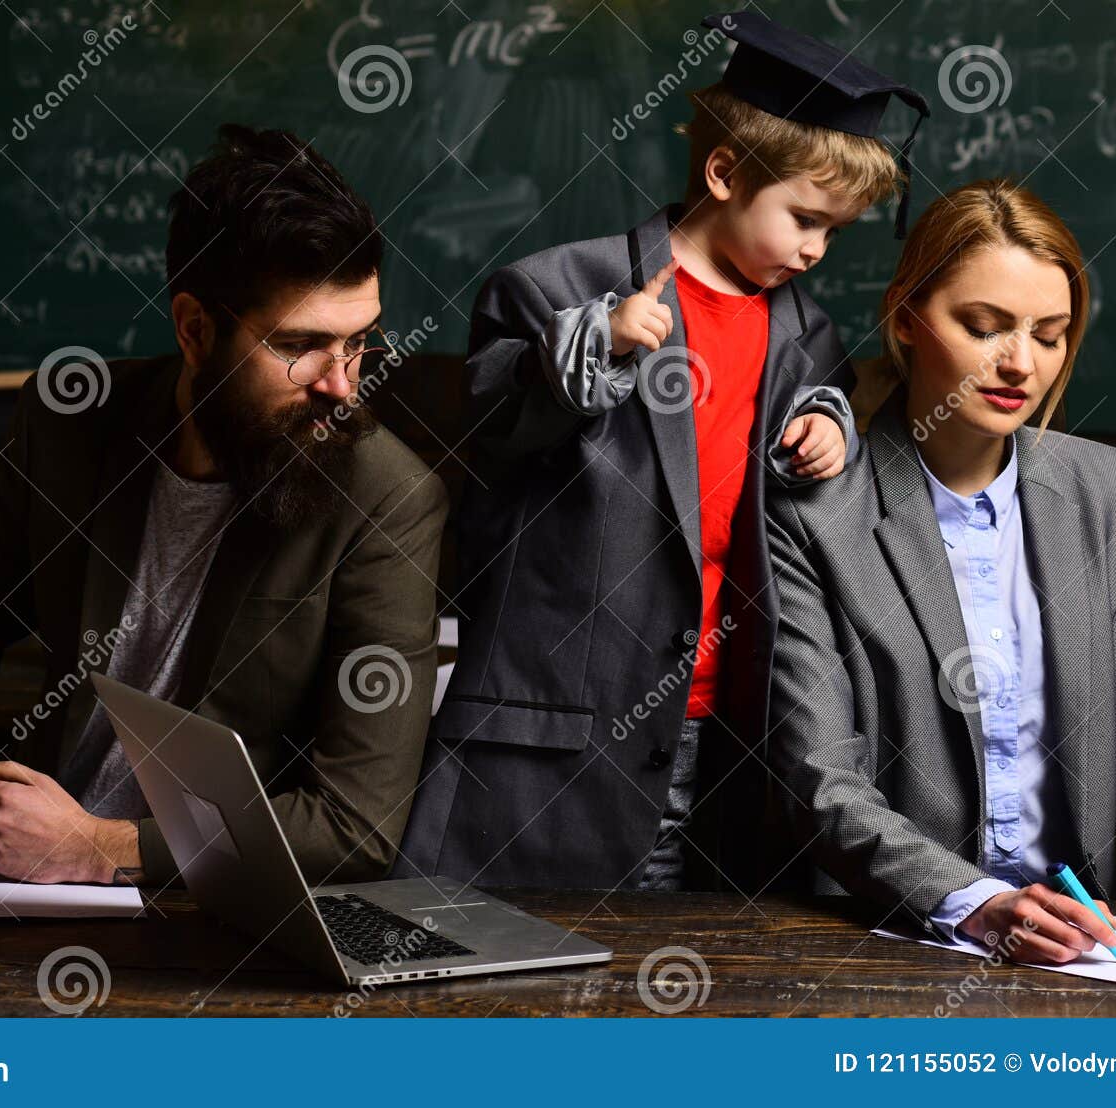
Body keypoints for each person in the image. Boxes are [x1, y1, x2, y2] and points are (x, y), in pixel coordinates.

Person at [0, 125, 446, 905]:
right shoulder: (66, 428)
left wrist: (99, 847)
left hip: (220, 917)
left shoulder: (390, 500)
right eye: (301, 346)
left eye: (360, 342)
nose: (342, 386)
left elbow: (355, 824)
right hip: (22, 888)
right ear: (195, 329)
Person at [396, 11, 928, 891]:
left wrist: (831, 426)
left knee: (691, 964)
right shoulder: (555, 288)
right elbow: (497, 431)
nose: (814, 250)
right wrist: (587, 348)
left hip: (728, 736)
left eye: (834, 232)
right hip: (553, 746)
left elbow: (811, 509)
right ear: (724, 173)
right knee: (511, 960)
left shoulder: (809, 336)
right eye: (804, 218)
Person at [765, 178, 1116, 963]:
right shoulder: (817, 515)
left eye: (1050, 335)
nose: (1020, 364)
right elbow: (821, 779)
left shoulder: (1109, 491)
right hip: (891, 942)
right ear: (905, 318)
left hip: (1088, 946)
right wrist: (978, 904)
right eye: (984, 327)